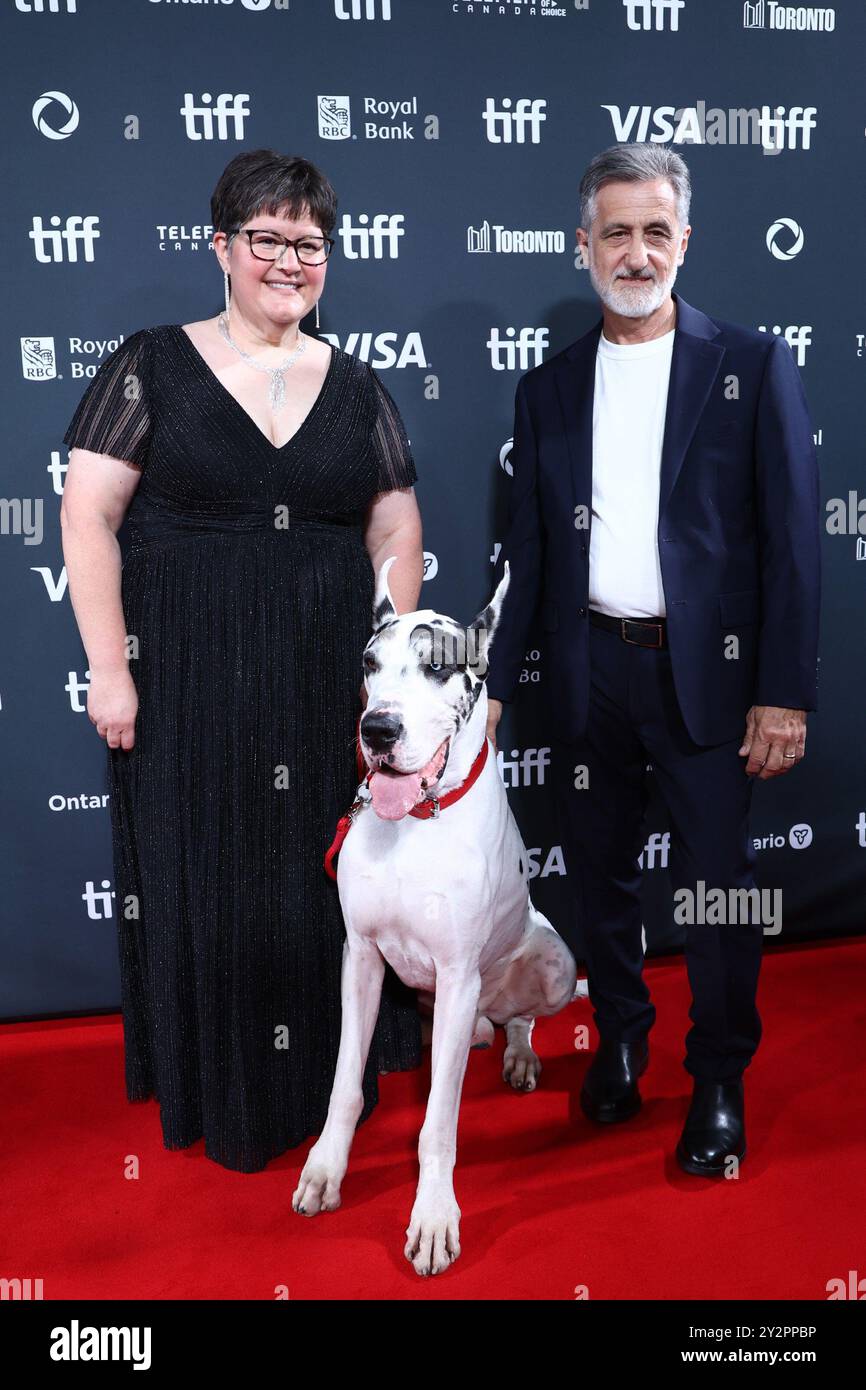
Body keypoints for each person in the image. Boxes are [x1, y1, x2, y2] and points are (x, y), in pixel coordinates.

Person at [60, 149, 425, 1173]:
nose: (288, 260)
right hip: (183, 675)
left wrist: (390, 677)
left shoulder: (358, 388)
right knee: (207, 871)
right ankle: (224, 1090)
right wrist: (111, 665)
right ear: (221, 246)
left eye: (308, 243)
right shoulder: (149, 364)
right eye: (266, 238)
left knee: (317, 877)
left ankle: (328, 1083)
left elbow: (396, 530)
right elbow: (87, 516)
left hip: (323, 679)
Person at [484, 143, 820, 1176]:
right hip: (589, 669)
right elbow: (526, 554)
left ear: (686, 241)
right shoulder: (545, 389)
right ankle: (621, 1036)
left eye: (654, 231)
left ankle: (716, 1075)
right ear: (582, 243)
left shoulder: (751, 366)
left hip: (708, 680)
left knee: (718, 891)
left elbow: (792, 542)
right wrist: (495, 689)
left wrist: (780, 695)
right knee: (597, 881)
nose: (635, 252)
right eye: (615, 231)